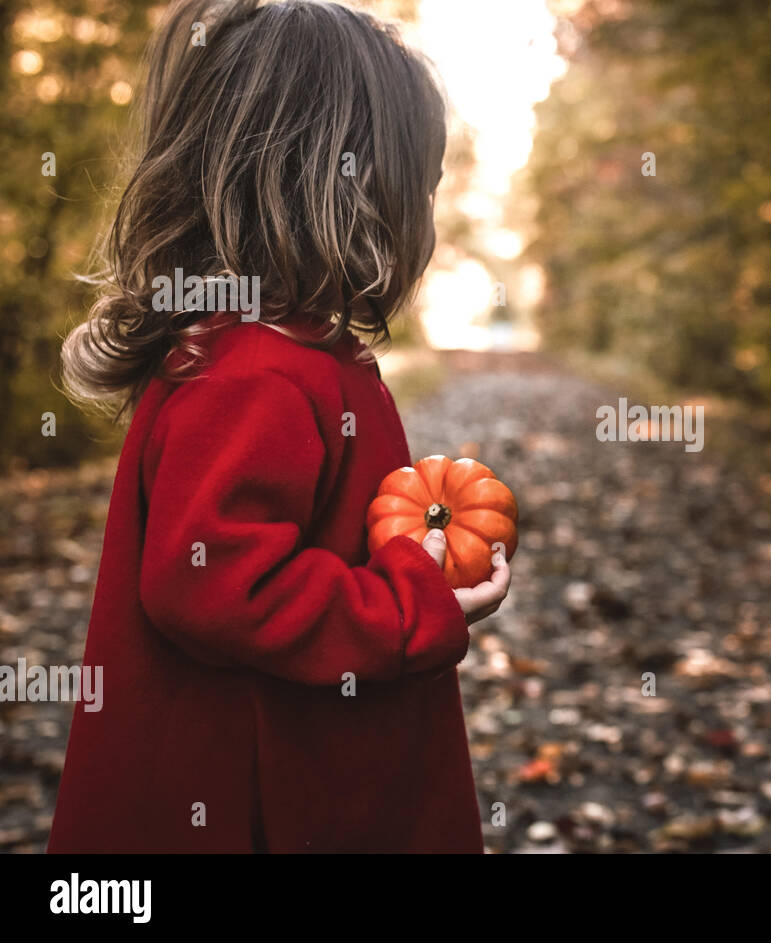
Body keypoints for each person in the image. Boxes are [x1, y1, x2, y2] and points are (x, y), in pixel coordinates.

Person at [48, 0, 506, 852]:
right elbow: (211, 584)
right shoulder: (256, 374)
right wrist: (409, 605)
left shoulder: (286, 356)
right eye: (425, 187)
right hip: (255, 804)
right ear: (353, 189)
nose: (430, 217)